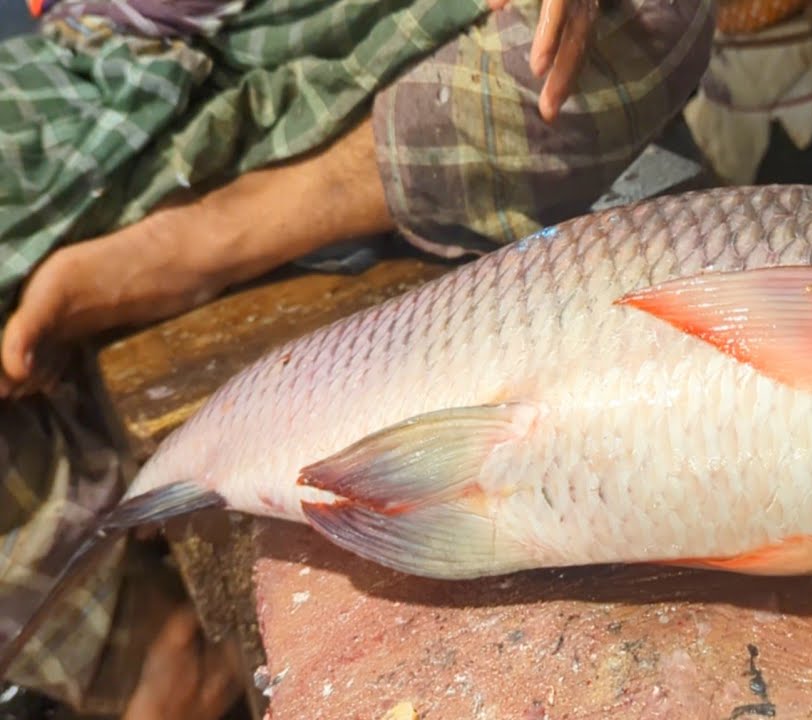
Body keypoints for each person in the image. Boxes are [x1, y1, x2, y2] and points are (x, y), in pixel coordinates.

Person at [0, 0, 714, 714]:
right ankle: (134, 647)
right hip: (91, 75)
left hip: (376, 35)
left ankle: (210, 241)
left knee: (655, 15)